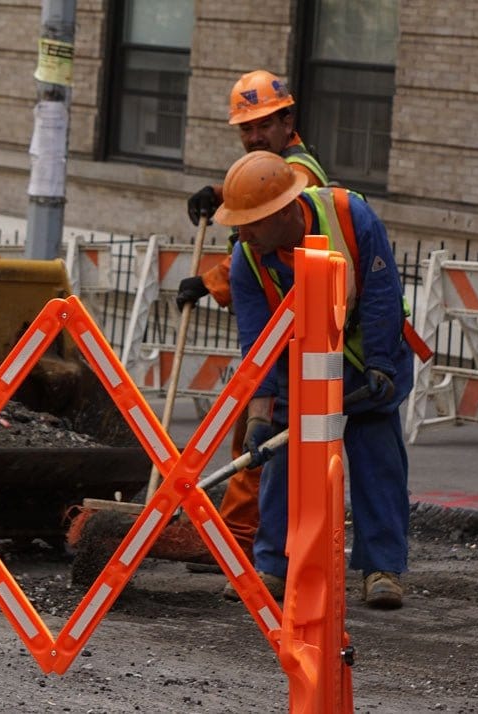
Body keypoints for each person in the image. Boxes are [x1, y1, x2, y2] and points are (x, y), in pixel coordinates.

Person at [214, 150, 413, 610]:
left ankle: (381, 568)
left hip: (365, 365)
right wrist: (259, 415)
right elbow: (257, 343)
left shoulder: (349, 216)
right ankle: (274, 566)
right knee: (282, 466)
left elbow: (384, 294)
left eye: (253, 223)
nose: (243, 234)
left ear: (285, 211)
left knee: (376, 460)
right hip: (302, 372)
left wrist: (381, 364)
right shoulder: (249, 257)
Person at [168, 70, 329, 568]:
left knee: (267, 431)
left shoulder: (304, 175)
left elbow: (263, 248)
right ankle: (241, 535)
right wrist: (220, 193)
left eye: (263, 124)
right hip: (281, 324)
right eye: (246, 127)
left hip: (302, 330)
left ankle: (239, 538)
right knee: (255, 424)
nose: (254, 136)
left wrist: (210, 283)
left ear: (288, 121)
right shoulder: (274, 166)